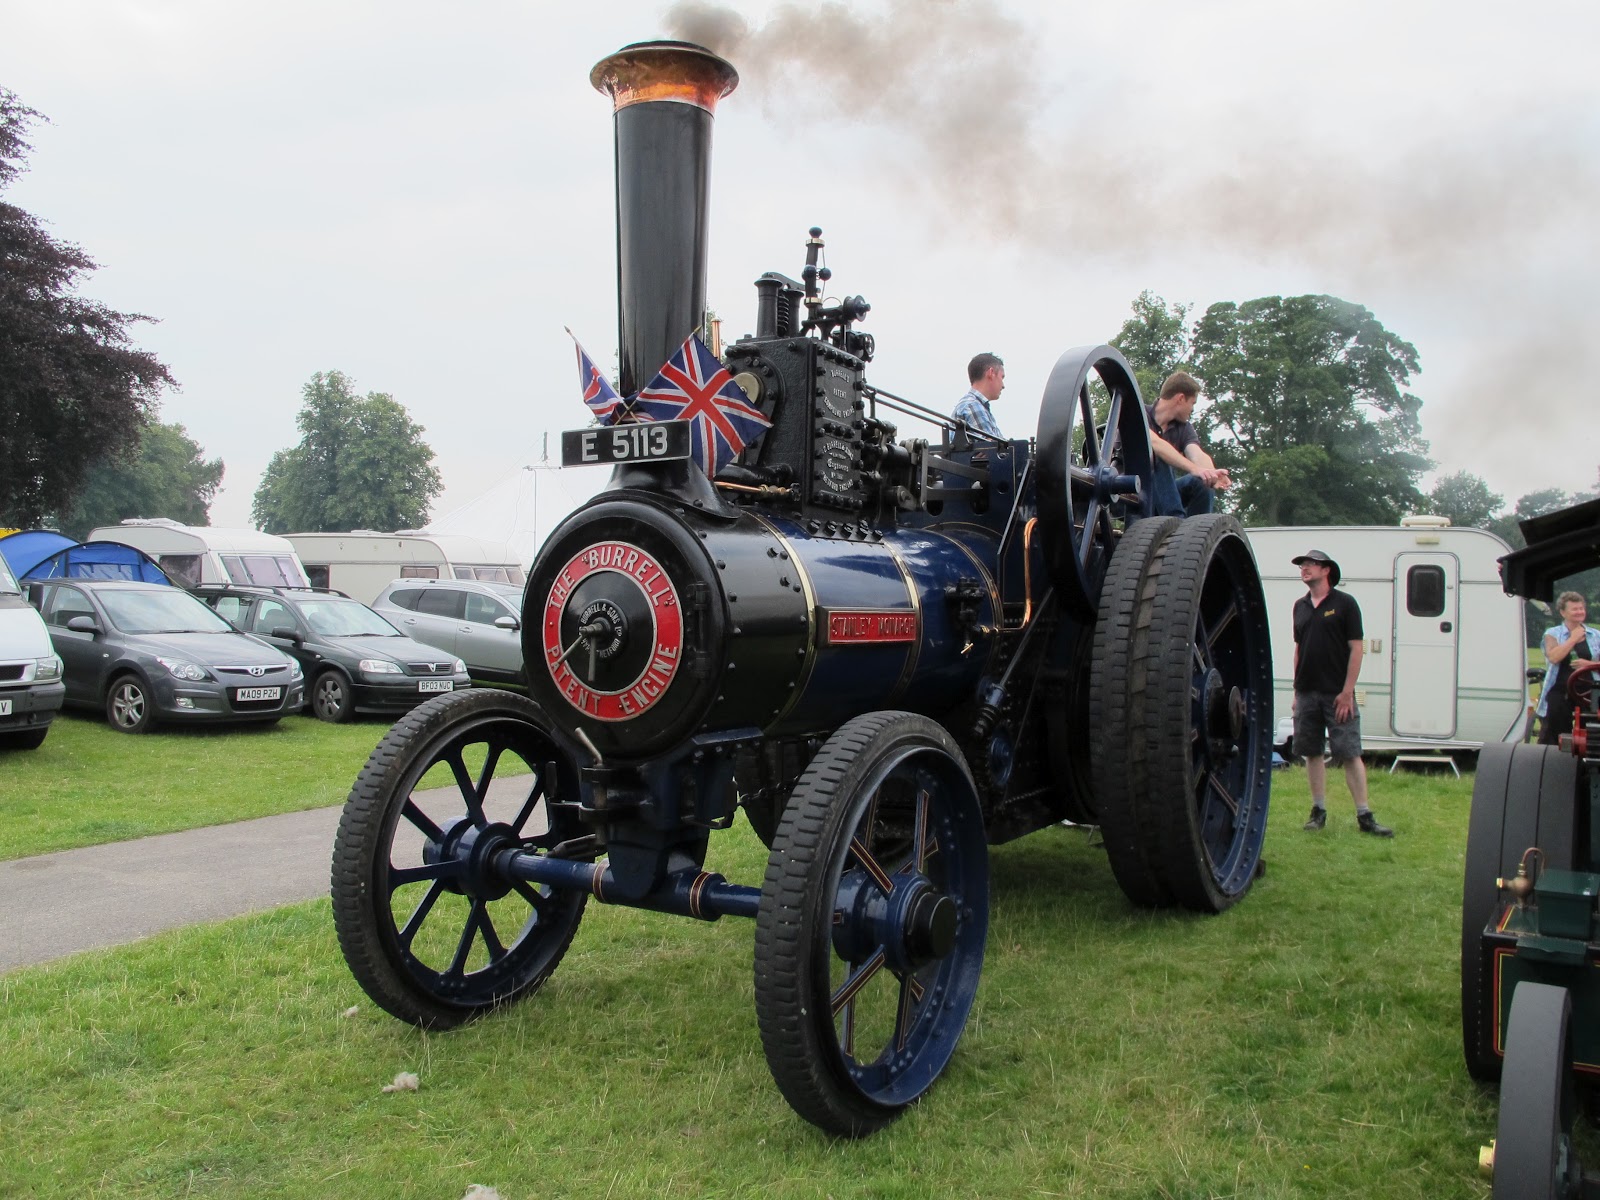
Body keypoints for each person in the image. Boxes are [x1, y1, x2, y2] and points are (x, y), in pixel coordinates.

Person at [1291, 549, 1394, 837]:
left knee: (1350, 753)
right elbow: (1299, 649)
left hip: (1337, 694)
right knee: (1311, 752)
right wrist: (1296, 691)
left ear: (1327, 570)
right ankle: (1318, 811)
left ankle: (1365, 815)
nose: (1304, 568)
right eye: (1302, 565)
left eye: (1310, 564)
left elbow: (1356, 648)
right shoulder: (1299, 606)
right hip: (1307, 693)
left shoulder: (1345, 604)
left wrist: (1347, 691)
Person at [1146, 371, 1232, 518]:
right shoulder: (1139, 414)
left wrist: (1211, 474)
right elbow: (1155, 443)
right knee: (1156, 454)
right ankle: (1176, 523)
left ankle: (1197, 532)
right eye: (1192, 403)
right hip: (1129, 491)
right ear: (1181, 399)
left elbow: (1196, 454)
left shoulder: (1184, 428)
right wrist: (1194, 469)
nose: (1192, 410)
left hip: (1164, 495)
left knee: (1202, 482)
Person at [1536, 591, 1600, 745]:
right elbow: (1554, 657)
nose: (1579, 612)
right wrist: (1573, 638)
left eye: (1581, 608)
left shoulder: (1595, 635)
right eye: (1574, 609)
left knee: (1593, 727)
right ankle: (1557, 750)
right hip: (1561, 688)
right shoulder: (1552, 634)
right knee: (1556, 715)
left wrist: (1589, 664)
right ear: (1563, 612)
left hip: (1590, 689)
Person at [952, 352, 1005, 438]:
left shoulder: (978, 406)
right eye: (1002, 377)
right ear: (991, 373)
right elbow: (990, 449)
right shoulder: (972, 406)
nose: (1003, 385)